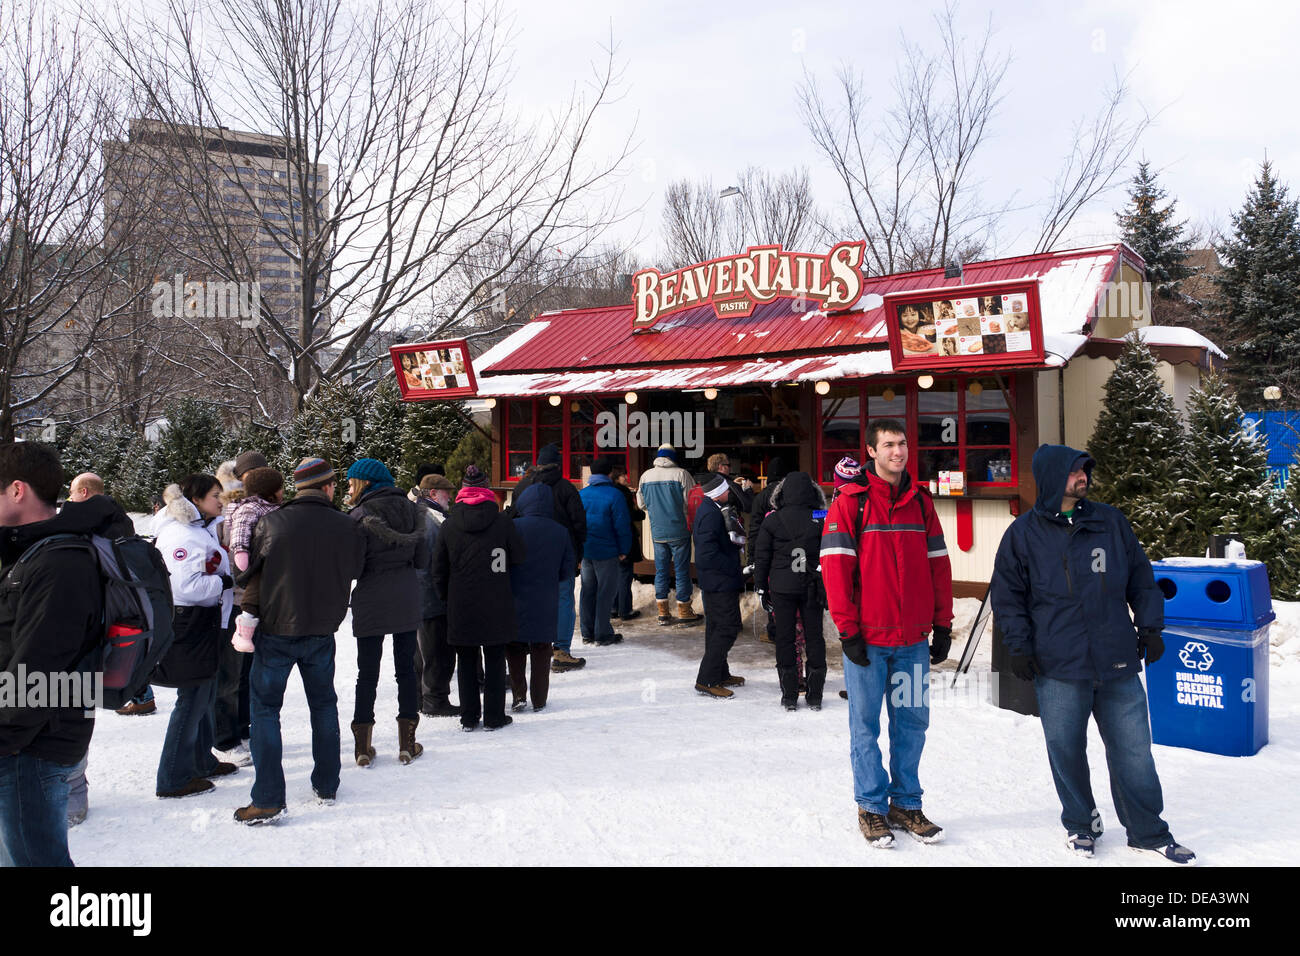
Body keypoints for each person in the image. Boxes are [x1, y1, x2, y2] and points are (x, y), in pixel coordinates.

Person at [989, 445, 1195, 864]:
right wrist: (1019, 646)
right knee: (1065, 748)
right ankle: (1081, 823)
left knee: (1134, 749)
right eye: (1074, 471)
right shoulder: (1023, 535)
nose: (1083, 477)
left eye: (1085, 470)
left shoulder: (1110, 522)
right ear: (1051, 477)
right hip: (1058, 662)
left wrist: (1150, 627)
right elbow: (1008, 597)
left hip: (1115, 656)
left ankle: (1148, 831)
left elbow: (1141, 577)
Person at [819, 419, 953, 848]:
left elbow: (939, 567)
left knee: (912, 724)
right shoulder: (850, 503)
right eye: (889, 445)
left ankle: (906, 803)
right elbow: (836, 571)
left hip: (913, 640)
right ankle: (872, 807)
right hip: (869, 641)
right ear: (871, 452)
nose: (898, 452)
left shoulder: (921, 503)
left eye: (902, 444)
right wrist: (847, 630)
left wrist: (943, 622)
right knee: (864, 726)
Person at [0, 443, 130, 866]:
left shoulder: (61, 561)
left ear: (17, 490)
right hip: (23, 739)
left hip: (30, 748)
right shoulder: (30, 549)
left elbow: (39, 669)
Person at [234, 457, 365, 823]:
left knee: (265, 712)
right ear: (327, 487)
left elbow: (249, 574)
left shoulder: (271, 522)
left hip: (275, 630)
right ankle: (327, 783)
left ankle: (268, 797)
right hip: (321, 629)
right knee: (323, 706)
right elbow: (356, 569)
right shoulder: (346, 525)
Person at [151, 476, 236, 799]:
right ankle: (172, 776)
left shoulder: (196, 528)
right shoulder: (180, 534)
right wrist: (223, 583)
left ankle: (202, 759)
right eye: (216, 495)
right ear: (196, 499)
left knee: (205, 692)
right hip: (190, 624)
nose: (222, 500)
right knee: (192, 699)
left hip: (205, 622)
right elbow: (185, 587)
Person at [345, 458, 430, 766]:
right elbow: (422, 560)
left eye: (352, 482)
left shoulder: (358, 516)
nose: (349, 488)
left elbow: (354, 567)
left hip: (371, 599)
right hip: (406, 596)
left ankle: (363, 748)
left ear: (365, 483)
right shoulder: (413, 511)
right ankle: (407, 744)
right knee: (406, 670)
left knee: (367, 673)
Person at [432, 465, 525, 731]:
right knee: (495, 658)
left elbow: (438, 569)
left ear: (461, 490)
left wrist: (446, 598)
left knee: (466, 660)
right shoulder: (502, 522)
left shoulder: (449, 525)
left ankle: (469, 716)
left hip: (461, 603)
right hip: (496, 600)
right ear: (486, 489)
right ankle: (494, 716)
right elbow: (519, 556)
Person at [505, 443, 587, 672]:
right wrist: (578, 552)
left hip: (525, 551)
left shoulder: (522, 486)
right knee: (563, 600)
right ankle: (560, 650)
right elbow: (579, 522)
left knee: (527, 597)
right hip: (562, 550)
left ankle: (531, 641)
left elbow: (513, 515)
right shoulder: (566, 488)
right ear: (558, 464)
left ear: (538, 463)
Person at [753, 471, 828, 710]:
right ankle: (815, 695)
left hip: (781, 587)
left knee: (785, 639)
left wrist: (761, 588)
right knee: (815, 637)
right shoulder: (820, 515)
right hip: (811, 585)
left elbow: (762, 556)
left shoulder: (773, 519)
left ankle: (789, 695)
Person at [507, 484, 573, 711]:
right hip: (545, 597)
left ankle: (518, 694)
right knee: (542, 648)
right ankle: (539, 698)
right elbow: (567, 571)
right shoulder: (560, 531)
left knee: (514, 646)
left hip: (514, 595)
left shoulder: (512, 527)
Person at [692, 475, 746, 698]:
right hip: (719, 581)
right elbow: (706, 555)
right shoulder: (710, 514)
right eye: (727, 490)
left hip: (718, 579)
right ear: (717, 493)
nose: (729, 493)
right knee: (727, 628)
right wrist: (734, 569)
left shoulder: (713, 509)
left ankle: (720, 673)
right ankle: (707, 679)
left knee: (716, 628)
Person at [637, 443, 700, 627]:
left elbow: (642, 504)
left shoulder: (645, 476)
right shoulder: (681, 474)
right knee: (681, 571)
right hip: (679, 530)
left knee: (661, 571)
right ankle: (684, 611)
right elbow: (690, 501)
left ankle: (663, 613)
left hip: (657, 531)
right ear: (673, 457)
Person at [414, 474, 460, 718]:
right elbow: (438, 562)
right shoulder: (433, 519)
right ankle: (435, 699)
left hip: (416, 595)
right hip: (431, 596)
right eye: (446, 492)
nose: (450, 497)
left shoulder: (415, 514)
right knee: (437, 652)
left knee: (420, 652)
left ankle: (420, 698)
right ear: (433, 493)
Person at [579, 457, 633, 647]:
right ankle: (602, 633)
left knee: (587, 590)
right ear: (610, 473)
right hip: (608, 550)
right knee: (605, 592)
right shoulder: (615, 495)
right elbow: (622, 526)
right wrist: (624, 549)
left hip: (587, 549)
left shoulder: (582, 494)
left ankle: (587, 632)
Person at [609, 465, 644, 621]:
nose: (626, 477)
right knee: (625, 575)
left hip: (611, 539)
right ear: (617, 478)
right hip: (624, 538)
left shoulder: (611, 491)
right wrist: (641, 513)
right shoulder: (623, 493)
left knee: (616, 575)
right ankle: (625, 610)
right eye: (623, 475)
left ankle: (614, 608)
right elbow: (630, 515)